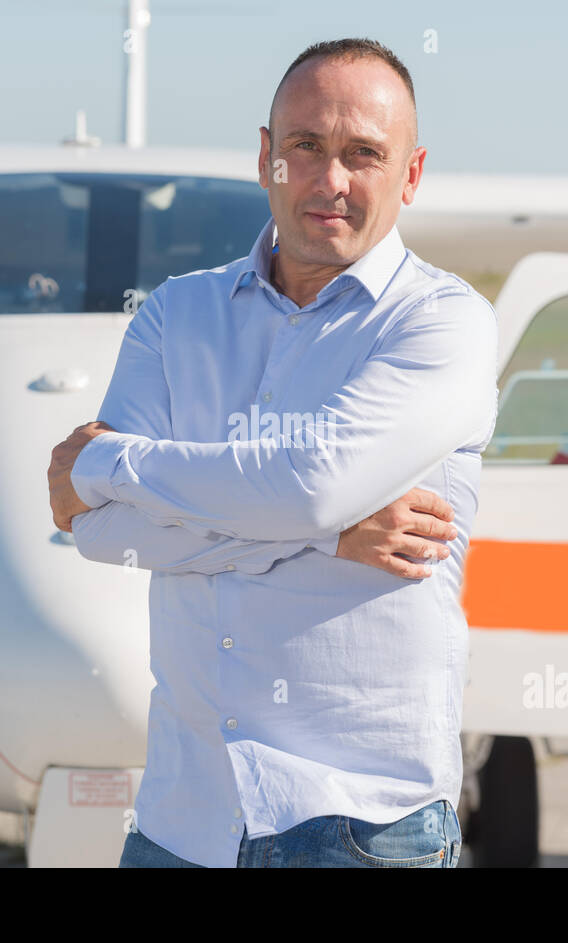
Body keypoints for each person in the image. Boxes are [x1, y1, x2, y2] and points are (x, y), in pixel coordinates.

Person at [46, 38, 499, 867]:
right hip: (184, 821)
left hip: (363, 828)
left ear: (412, 173)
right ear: (267, 157)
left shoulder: (444, 324)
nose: (331, 180)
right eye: (306, 146)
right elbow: (105, 535)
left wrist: (104, 465)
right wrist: (327, 535)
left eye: (365, 153)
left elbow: (310, 484)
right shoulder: (175, 315)